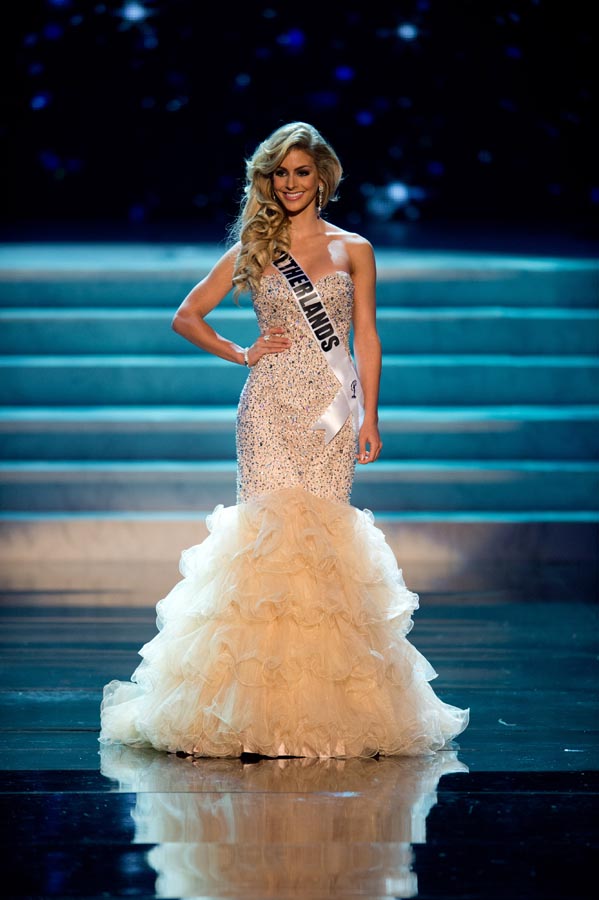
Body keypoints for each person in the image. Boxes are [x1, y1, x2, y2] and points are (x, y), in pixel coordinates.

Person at [99, 121, 469, 758]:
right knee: (268, 542)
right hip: (269, 406)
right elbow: (186, 315)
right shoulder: (256, 244)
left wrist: (370, 415)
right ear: (267, 180)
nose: (291, 183)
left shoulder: (355, 248)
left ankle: (327, 707)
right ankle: (249, 708)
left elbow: (367, 337)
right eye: (280, 173)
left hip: (330, 406)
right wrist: (240, 353)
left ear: (321, 177)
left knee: (323, 541)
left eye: (302, 172)